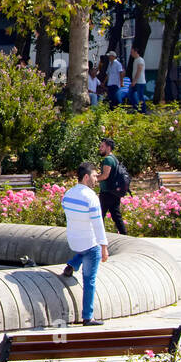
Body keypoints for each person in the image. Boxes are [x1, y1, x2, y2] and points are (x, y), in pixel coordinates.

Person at [59, 162, 109, 325]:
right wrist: (104, 247)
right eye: (95, 175)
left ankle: (72, 265)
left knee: (84, 249)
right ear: (86, 177)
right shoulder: (91, 197)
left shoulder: (68, 194)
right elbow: (98, 224)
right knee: (90, 280)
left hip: (73, 241)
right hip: (88, 244)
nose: (97, 179)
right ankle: (88, 317)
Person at [96, 137, 130, 235]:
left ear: (108, 147)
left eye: (102, 146)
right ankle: (124, 234)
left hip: (107, 192)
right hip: (115, 192)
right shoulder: (114, 158)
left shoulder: (108, 159)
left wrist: (94, 179)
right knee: (116, 215)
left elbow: (105, 175)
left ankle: (99, 236)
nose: (100, 148)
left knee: (99, 215)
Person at [126, 46, 147, 112]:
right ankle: (136, 108)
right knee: (130, 94)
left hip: (139, 82)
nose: (131, 54)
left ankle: (143, 110)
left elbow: (139, 70)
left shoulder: (140, 60)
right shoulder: (135, 60)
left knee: (140, 96)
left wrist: (134, 81)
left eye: (132, 52)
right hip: (136, 82)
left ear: (136, 52)